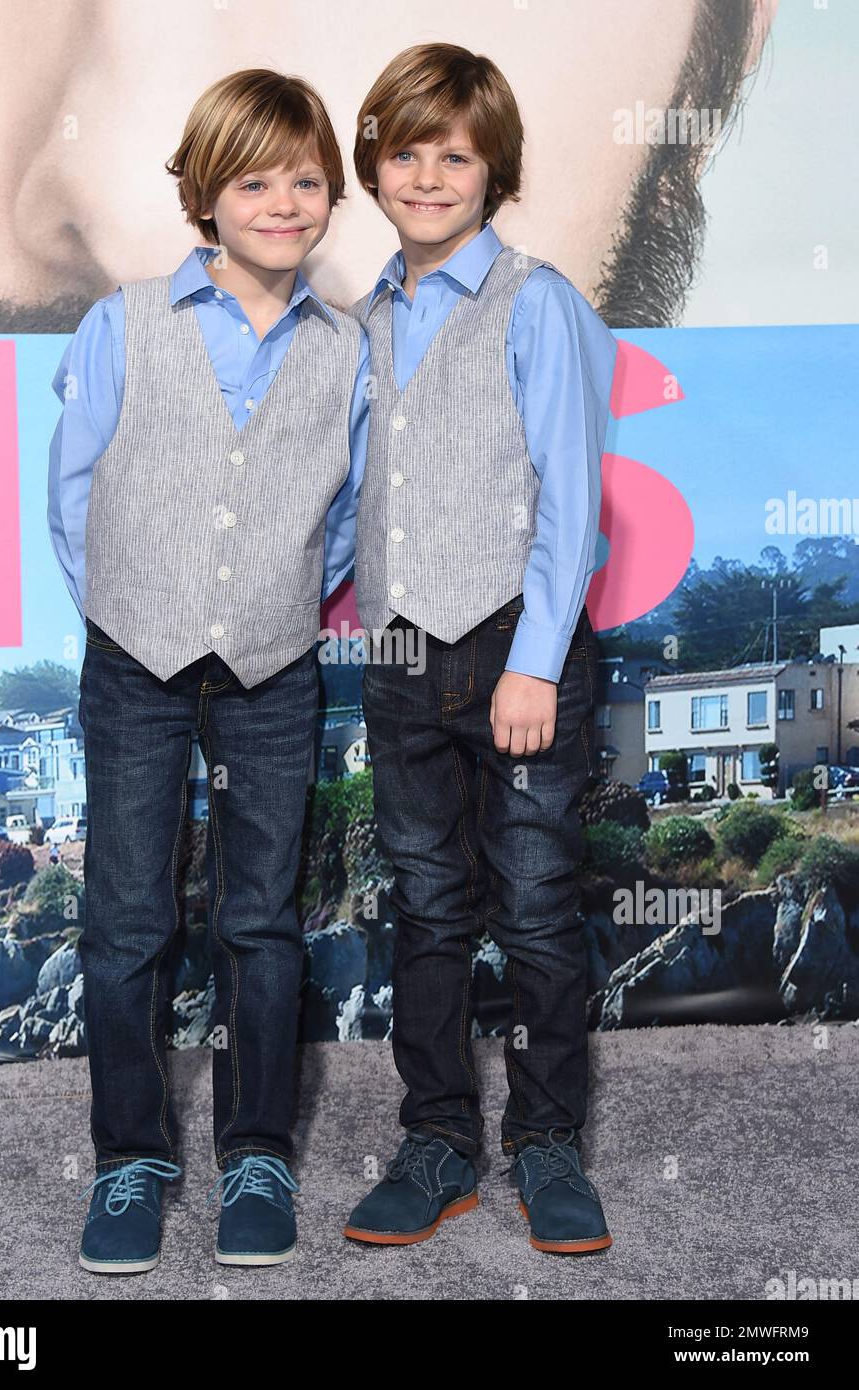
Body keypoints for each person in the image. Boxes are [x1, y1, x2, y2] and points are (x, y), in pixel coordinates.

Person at [47, 69, 369, 1272]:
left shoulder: (346, 351)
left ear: (329, 196)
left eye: (305, 180)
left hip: (274, 667)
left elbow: (340, 517)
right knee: (127, 918)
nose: (282, 203)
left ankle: (257, 1154)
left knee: (260, 920)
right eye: (253, 181)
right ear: (204, 194)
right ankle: (129, 1158)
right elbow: (74, 493)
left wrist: (267, 601)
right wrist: (129, 614)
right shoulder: (122, 323)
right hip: (133, 659)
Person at [342, 44, 618, 1253]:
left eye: (453, 155)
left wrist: (535, 662)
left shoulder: (533, 301)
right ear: (371, 167)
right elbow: (353, 502)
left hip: (517, 642)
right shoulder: (360, 322)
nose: (426, 175)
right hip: (400, 656)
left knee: (540, 906)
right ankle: (437, 1139)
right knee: (425, 907)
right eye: (405, 152)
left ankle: (547, 1140)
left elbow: (570, 494)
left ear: (493, 170)